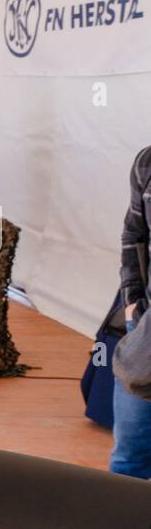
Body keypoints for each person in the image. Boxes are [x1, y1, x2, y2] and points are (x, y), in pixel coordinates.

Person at [112, 144, 151, 478]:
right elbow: (134, 234)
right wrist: (131, 302)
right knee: (128, 461)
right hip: (145, 332)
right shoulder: (147, 162)